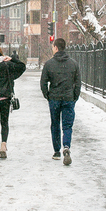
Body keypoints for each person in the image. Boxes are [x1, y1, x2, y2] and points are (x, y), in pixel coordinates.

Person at [40, 38, 81, 166]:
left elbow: (43, 82)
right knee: (67, 125)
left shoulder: (49, 64)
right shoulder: (73, 64)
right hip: (68, 98)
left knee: (55, 124)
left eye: (53, 47)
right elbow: (78, 83)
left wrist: (47, 95)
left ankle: (56, 151)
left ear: (56, 48)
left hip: (54, 98)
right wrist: (74, 96)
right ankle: (66, 146)